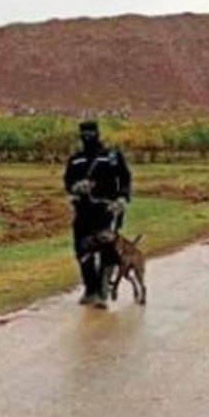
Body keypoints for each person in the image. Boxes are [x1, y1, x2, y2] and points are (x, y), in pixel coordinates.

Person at [62, 119, 132, 308]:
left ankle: (102, 292)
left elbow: (125, 178)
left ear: (97, 133)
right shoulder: (75, 159)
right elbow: (68, 182)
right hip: (83, 211)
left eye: (91, 133)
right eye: (84, 133)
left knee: (107, 248)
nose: (87, 136)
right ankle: (90, 289)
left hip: (107, 210)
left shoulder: (111, 156)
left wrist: (122, 198)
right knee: (82, 250)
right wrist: (75, 188)